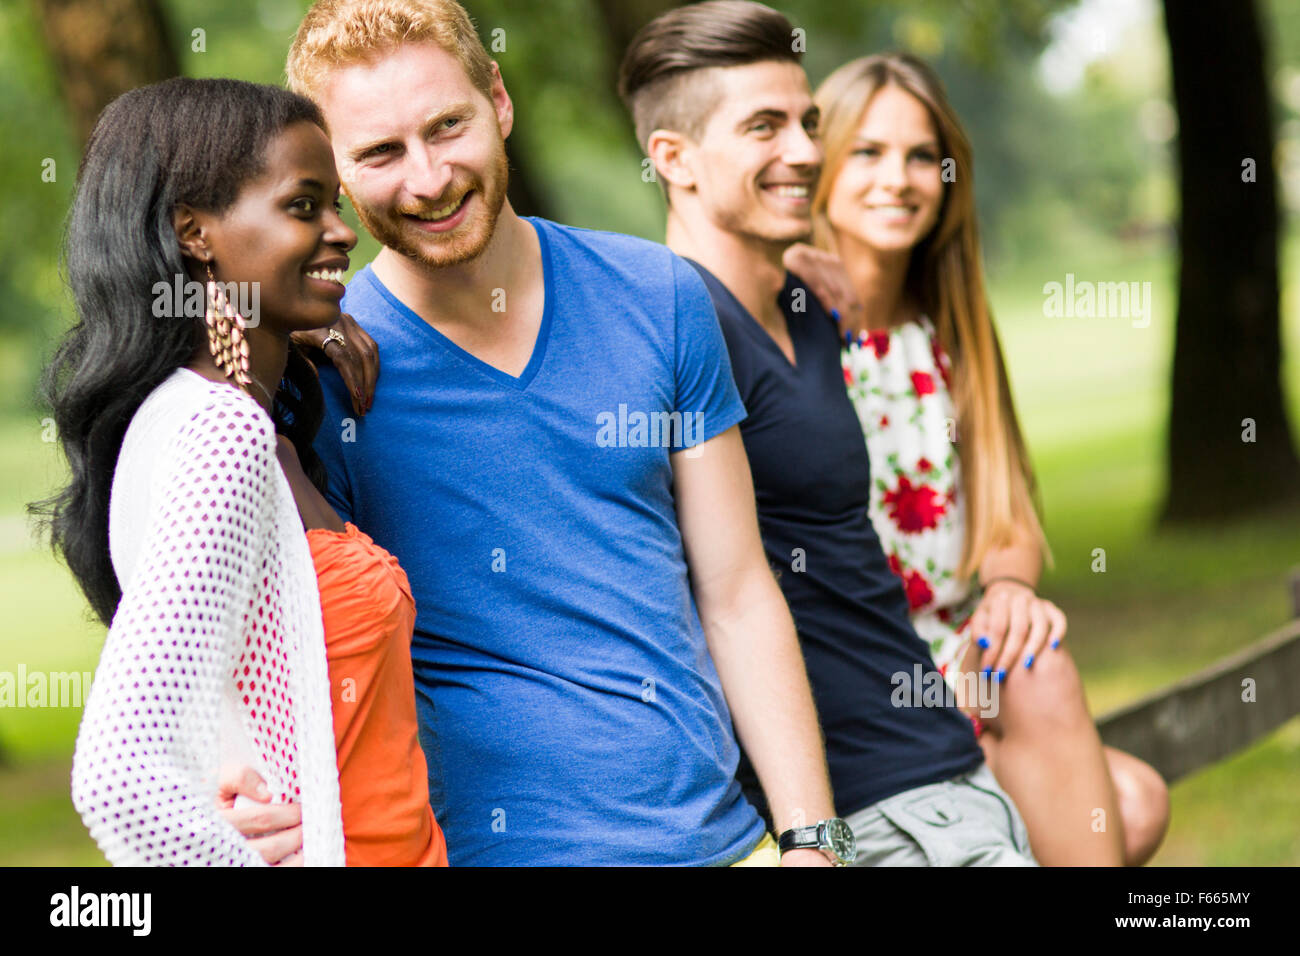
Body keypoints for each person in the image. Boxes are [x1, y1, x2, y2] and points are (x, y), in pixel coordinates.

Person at [282, 0, 843, 866]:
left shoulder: (658, 294)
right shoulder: (325, 371)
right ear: (336, 172)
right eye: (382, 152)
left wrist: (812, 839)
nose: (428, 178)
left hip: (727, 842)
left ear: (498, 101)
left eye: (447, 126)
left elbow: (736, 591)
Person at [622, 0, 1044, 866]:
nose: (809, 151)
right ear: (675, 159)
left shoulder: (812, 307)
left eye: (809, 122)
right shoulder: (664, 328)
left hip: (944, 769)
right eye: (765, 127)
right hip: (867, 810)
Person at [34, 77, 446, 866]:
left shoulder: (219, 418)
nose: (343, 232)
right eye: (304, 206)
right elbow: (120, 779)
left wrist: (291, 342)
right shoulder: (220, 435)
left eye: (336, 204)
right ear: (195, 232)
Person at [781, 52, 1170, 865]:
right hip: (864, 680)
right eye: (869, 152)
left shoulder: (946, 331)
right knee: (1120, 810)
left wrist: (1010, 591)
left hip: (969, 665)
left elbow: (1006, 509)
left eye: (922, 155)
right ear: (821, 164)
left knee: (1124, 781)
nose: (900, 178)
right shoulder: (785, 324)